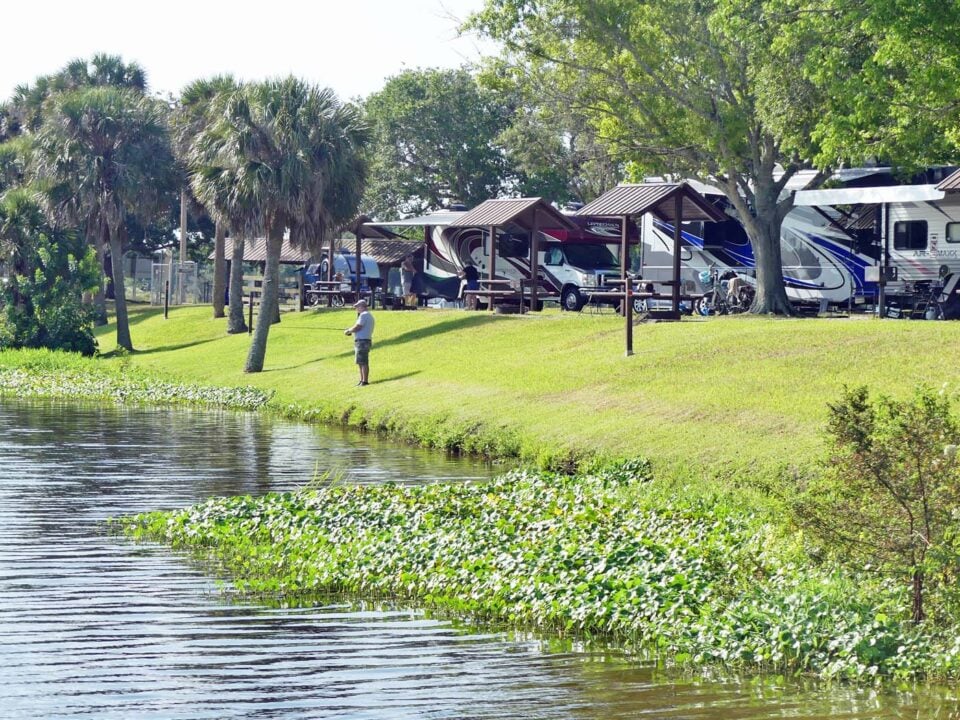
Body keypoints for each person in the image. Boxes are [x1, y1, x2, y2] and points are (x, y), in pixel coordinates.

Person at [344, 299, 375, 386]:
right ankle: (362, 380)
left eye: (357, 307)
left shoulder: (364, 315)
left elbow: (358, 327)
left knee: (363, 362)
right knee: (360, 362)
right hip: (364, 340)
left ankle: (365, 381)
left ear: (362, 306)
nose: (356, 308)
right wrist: (350, 330)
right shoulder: (368, 315)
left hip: (362, 341)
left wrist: (349, 331)